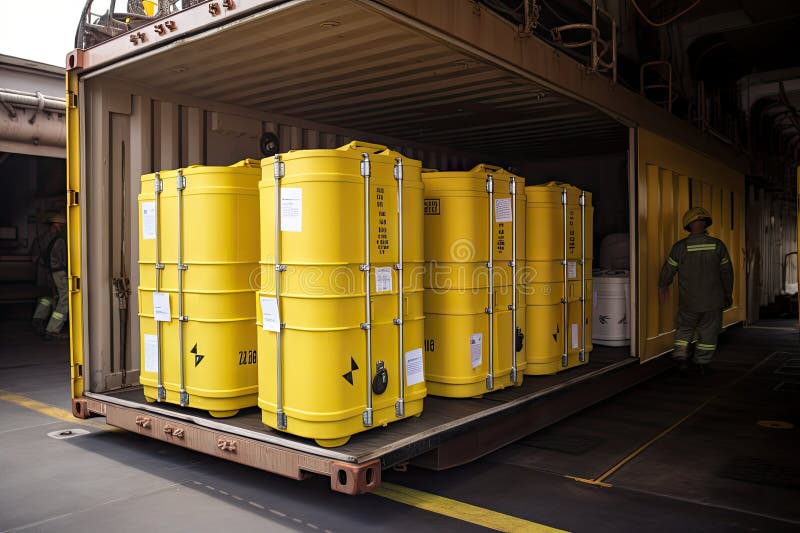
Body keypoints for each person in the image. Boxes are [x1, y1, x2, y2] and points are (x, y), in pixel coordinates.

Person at [658, 207, 733, 375]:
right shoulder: (718, 245)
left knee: (684, 329)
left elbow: (668, 270)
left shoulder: (680, 247)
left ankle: (680, 356)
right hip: (713, 302)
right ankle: (702, 363)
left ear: (688, 225)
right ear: (706, 223)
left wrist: (663, 285)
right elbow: (727, 273)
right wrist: (728, 293)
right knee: (708, 333)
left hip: (688, 301)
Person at [31, 214, 69, 340]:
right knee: (63, 298)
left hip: (43, 272)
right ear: (56, 226)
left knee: (46, 297)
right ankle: (52, 329)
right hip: (56, 272)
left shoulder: (39, 239)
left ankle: (38, 318)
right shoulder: (59, 240)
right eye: (62, 226)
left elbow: (34, 258)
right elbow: (63, 260)